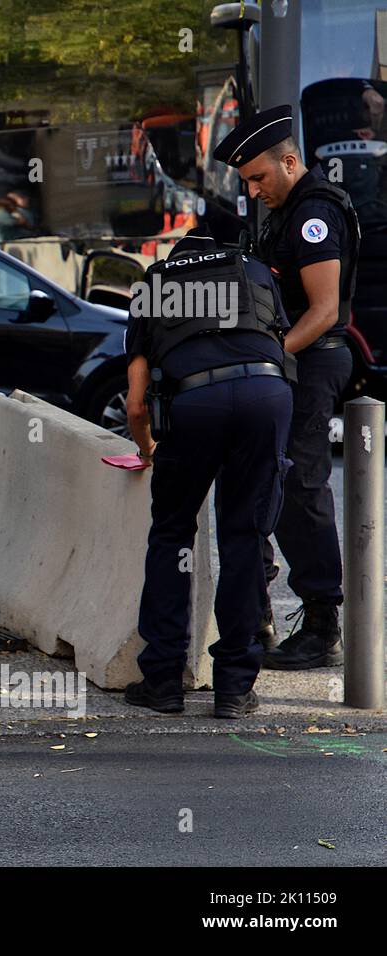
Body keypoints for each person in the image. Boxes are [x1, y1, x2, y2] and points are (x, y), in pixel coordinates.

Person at [122, 229, 293, 718]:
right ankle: (235, 689)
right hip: (267, 397)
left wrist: (148, 448)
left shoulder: (153, 285)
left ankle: (164, 681)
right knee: (244, 536)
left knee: (173, 533)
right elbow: (278, 346)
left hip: (194, 405)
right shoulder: (255, 271)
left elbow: (136, 404)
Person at [214, 105, 360, 670]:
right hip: (288, 363)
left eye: (259, 177)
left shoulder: (314, 212)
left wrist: (266, 359)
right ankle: (260, 613)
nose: (253, 190)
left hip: (313, 361)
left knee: (301, 484)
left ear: (290, 161)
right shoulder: (282, 210)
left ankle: (322, 623)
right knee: (260, 481)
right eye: (247, 181)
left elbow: (323, 311)